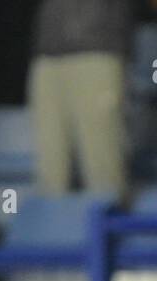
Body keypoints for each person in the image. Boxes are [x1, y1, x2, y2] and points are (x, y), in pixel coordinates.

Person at [28, 0, 130, 197]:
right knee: (50, 169)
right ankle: (52, 226)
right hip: (48, 52)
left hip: (97, 49)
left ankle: (109, 224)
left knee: (102, 170)